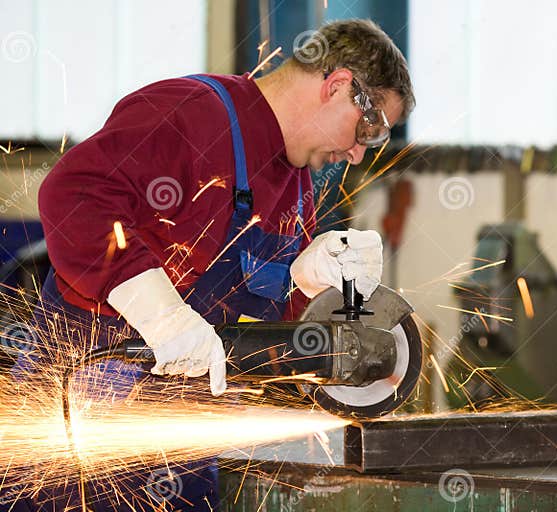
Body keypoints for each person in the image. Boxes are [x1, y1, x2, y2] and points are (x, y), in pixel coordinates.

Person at [11, 18, 415, 510]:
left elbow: (255, 329)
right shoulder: (190, 113)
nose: (356, 155)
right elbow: (75, 194)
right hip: (81, 420)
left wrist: (306, 289)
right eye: (367, 132)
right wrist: (161, 315)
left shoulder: (299, 187)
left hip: (185, 442)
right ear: (338, 86)